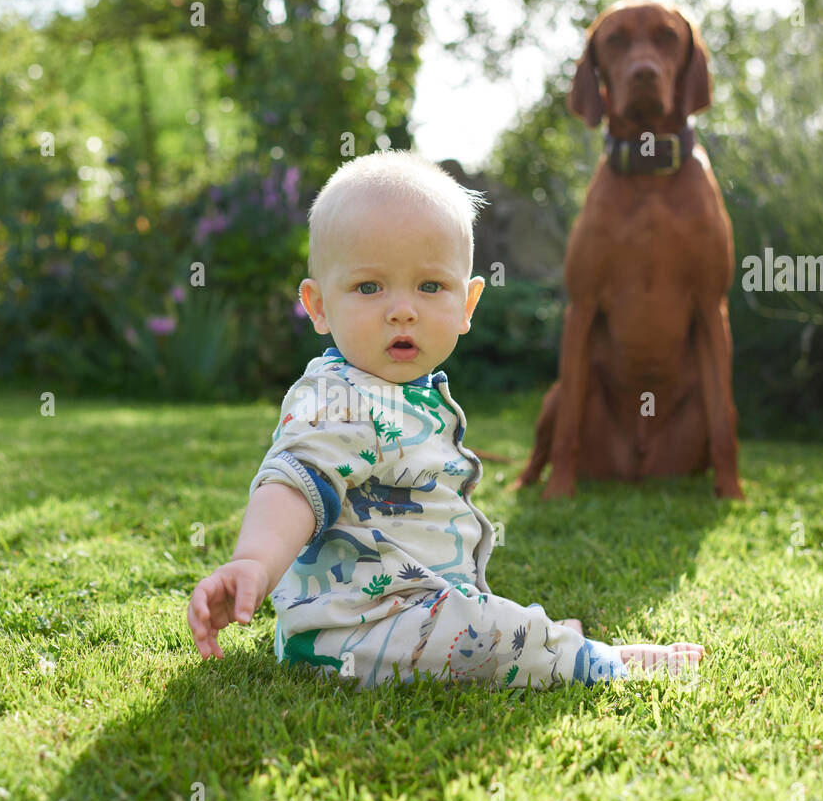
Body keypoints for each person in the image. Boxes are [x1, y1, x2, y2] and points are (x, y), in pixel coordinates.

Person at [187, 150, 705, 690]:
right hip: (359, 632)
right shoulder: (336, 396)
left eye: (430, 287)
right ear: (318, 306)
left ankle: (540, 638)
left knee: (481, 622)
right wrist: (253, 561)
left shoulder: (414, 394)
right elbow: (295, 479)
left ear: (467, 303)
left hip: (413, 608)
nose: (402, 309)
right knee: (483, 632)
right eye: (369, 287)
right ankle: (599, 661)